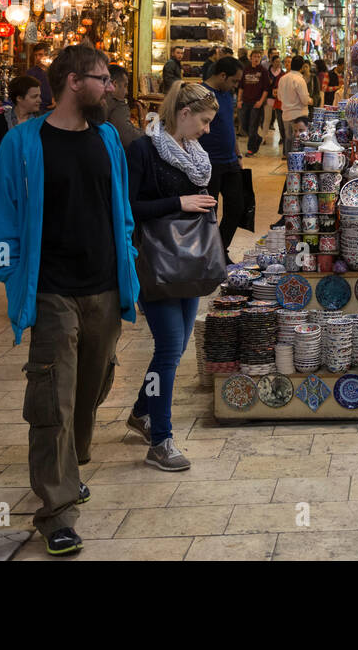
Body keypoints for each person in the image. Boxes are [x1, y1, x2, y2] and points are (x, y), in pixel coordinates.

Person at [0, 45, 139, 557]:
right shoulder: (23, 143)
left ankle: (70, 470)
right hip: (51, 290)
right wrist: (11, 275)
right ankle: (56, 509)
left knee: (92, 387)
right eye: (102, 79)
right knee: (53, 398)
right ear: (74, 82)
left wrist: (128, 258)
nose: (111, 87)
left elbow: (119, 205)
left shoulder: (108, 137)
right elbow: (5, 215)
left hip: (105, 286)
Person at [126, 82, 220, 470]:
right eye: (203, 121)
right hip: (157, 262)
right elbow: (129, 206)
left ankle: (140, 412)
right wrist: (177, 203)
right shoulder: (143, 150)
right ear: (183, 115)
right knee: (168, 348)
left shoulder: (194, 153)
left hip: (191, 262)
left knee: (176, 347)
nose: (208, 130)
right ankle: (161, 440)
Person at [197, 57, 247, 259]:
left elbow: (229, 127)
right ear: (222, 75)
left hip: (230, 161)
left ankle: (219, 249)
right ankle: (211, 255)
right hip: (209, 164)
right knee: (210, 212)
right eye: (234, 81)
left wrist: (238, 153)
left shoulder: (226, 95)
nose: (235, 86)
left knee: (237, 207)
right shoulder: (201, 95)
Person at [0, 75, 43, 218]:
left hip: (34, 190)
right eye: (34, 96)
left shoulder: (42, 124)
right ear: (19, 98)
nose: (40, 100)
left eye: (39, 96)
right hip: (3, 189)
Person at [278, 56, 313, 156]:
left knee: (288, 139)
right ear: (301, 67)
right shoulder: (299, 80)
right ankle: (296, 165)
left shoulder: (283, 79)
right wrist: (311, 100)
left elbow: (279, 97)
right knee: (298, 142)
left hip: (286, 114)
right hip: (299, 115)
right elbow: (304, 100)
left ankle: (289, 162)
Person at [237, 53, 271, 156]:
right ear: (250, 58)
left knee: (253, 126)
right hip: (245, 101)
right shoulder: (246, 70)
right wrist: (239, 100)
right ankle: (258, 138)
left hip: (256, 103)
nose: (256, 59)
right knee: (244, 125)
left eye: (258, 57)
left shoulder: (263, 71)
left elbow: (266, 89)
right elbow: (241, 86)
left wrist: (261, 101)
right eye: (254, 57)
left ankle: (251, 149)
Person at [104, 64, 142, 150]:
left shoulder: (96, 100)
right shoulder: (117, 104)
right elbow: (128, 137)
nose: (127, 91)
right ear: (115, 84)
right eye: (125, 86)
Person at [264, 51, 285, 150]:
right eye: (276, 61)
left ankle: (282, 137)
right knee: (267, 118)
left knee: (280, 120)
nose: (277, 63)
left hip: (279, 100)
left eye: (279, 61)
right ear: (272, 62)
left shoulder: (282, 73)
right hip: (269, 97)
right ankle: (263, 137)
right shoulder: (267, 73)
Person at [26, 43, 54, 110]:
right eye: (35, 55)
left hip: (54, 109)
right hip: (38, 108)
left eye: (40, 55)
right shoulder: (31, 72)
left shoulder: (54, 70)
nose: (38, 58)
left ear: (48, 55)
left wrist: (55, 99)